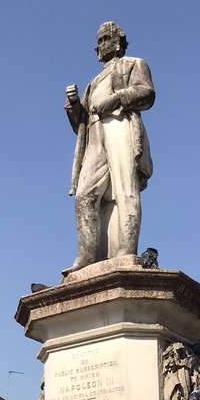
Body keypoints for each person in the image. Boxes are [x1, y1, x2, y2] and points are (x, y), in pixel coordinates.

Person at [63, 21, 155, 274]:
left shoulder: (134, 64)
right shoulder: (93, 82)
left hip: (120, 124)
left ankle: (125, 251)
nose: (99, 47)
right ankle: (87, 256)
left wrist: (115, 98)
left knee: (125, 189)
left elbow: (146, 93)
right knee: (85, 194)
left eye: (104, 39)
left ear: (118, 41)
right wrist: (74, 106)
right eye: (98, 41)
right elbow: (80, 123)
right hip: (94, 134)